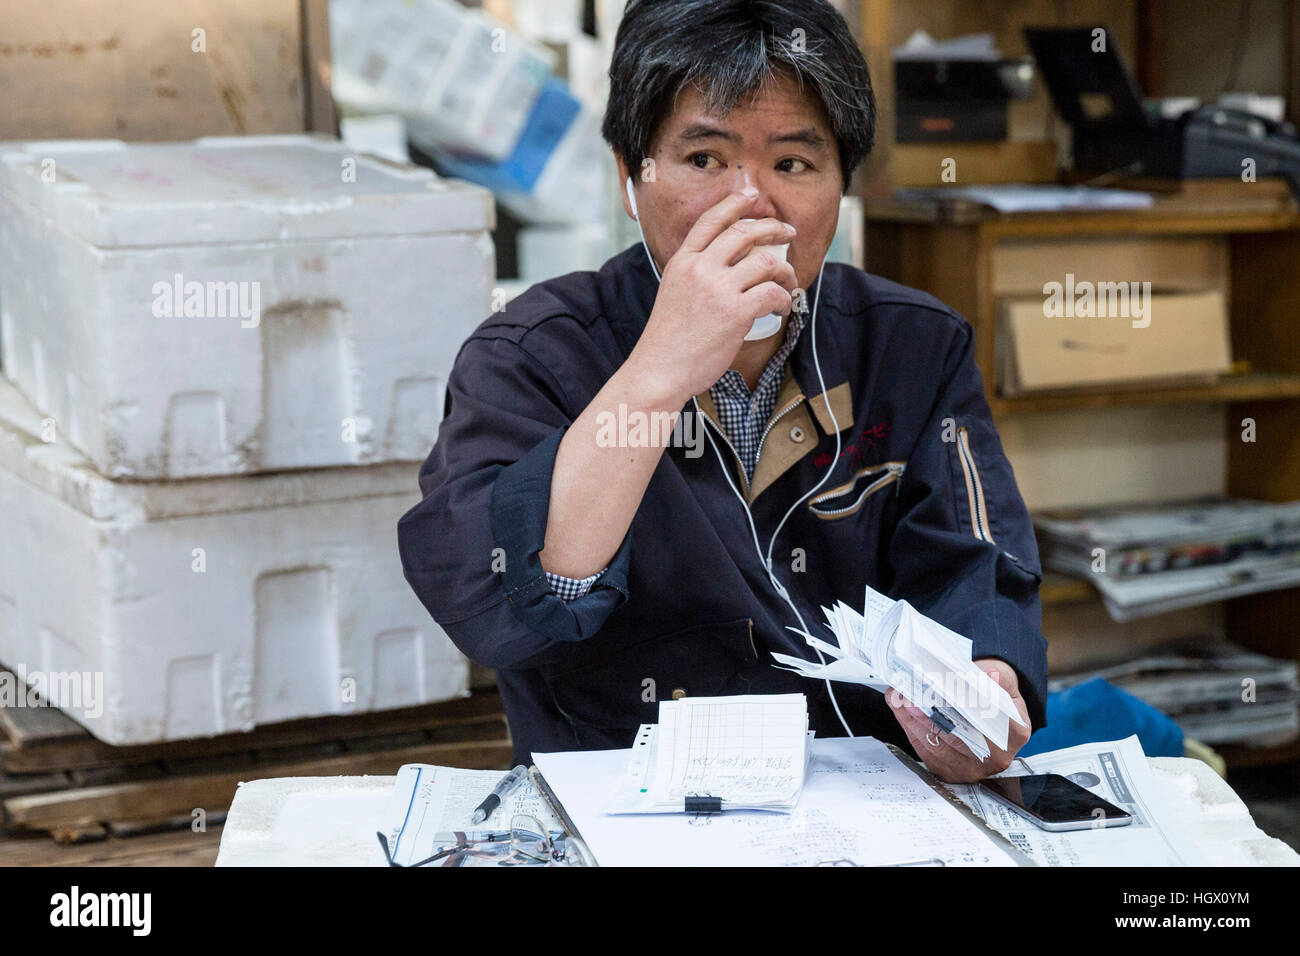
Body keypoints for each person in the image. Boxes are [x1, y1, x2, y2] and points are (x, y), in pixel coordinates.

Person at [398, 0, 1047, 783]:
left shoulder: (914, 345)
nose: (751, 203)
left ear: (841, 184)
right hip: (623, 812)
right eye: (704, 159)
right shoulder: (530, 356)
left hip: (869, 810)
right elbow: (501, 603)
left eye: (793, 164)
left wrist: (985, 696)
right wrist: (660, 369)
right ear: (629, 176)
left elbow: (975, 572)